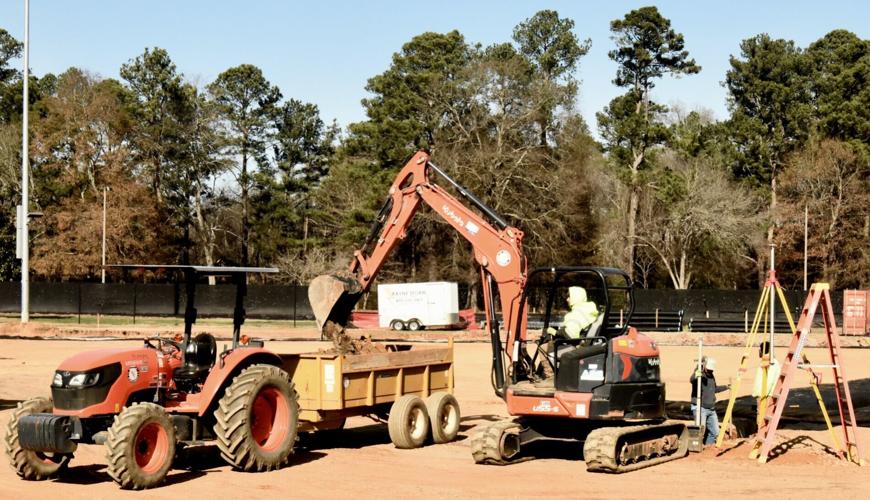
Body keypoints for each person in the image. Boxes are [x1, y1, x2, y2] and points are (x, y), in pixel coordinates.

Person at [690, 356, 729, 446]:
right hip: (701, 408)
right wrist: (696, 373)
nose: (710, 372)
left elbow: (714, 389)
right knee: (700, 431)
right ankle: (696, 448)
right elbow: (692, 380)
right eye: (709, 370)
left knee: (715, 432)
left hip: (711, 409)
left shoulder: (711, 376)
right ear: (704, 367)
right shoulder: (700, 376)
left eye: (712, 370)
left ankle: (708, 447)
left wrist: (726, 387)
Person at [752, 341, 781, 426]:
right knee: (762, 414)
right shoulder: (767, 361)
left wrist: (764, 394)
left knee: (762, 415)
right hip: (764, 393)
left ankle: (761, 433)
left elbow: (770, 380)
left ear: (761, 350)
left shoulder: (771, 362)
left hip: (765, 394)